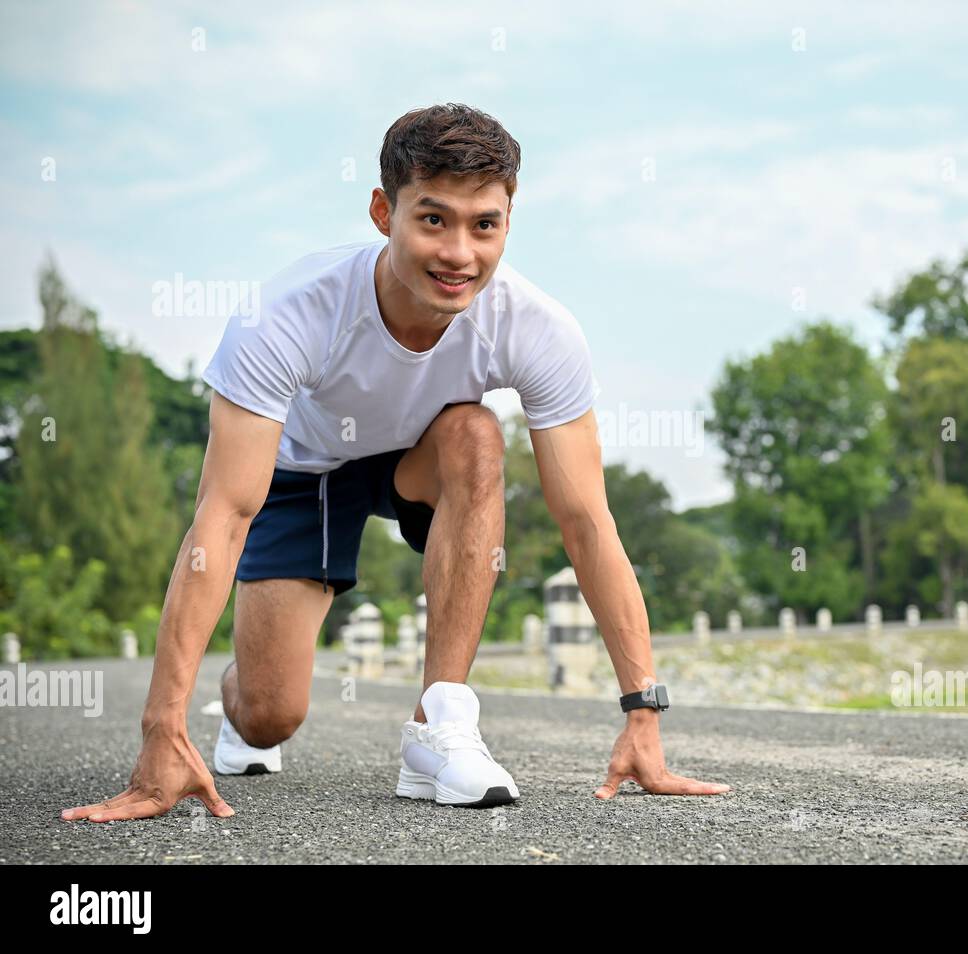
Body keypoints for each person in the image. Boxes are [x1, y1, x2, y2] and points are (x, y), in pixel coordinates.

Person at [60, 103, 731, 820]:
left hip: (421, 458)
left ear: (509, 219)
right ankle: (241, 706)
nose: (459, 254)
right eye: (433, 220)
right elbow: (222, 517)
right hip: (307, 474)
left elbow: (587, 522)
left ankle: (438, 726)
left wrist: (643, 711)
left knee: (477, 434)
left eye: (485, 225)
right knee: (269, 715)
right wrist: (162, 729)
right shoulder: (289, 313)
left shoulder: (538, 329)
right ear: (384, 212)